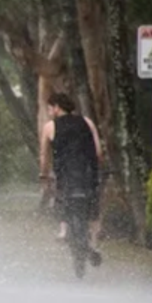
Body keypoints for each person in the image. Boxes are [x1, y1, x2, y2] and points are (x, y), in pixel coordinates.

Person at [39, 92, 102, 250]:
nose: (48, 112)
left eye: (49, 108)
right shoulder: (87, 122)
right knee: (93, 202)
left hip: (66, 174)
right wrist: (97, 168)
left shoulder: (49, 127)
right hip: (88, 172)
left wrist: (44, 174)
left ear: (57, 107)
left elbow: (44, 156)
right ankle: (94, 240)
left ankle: (63, 230)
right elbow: (98, 152)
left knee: (60, 196)